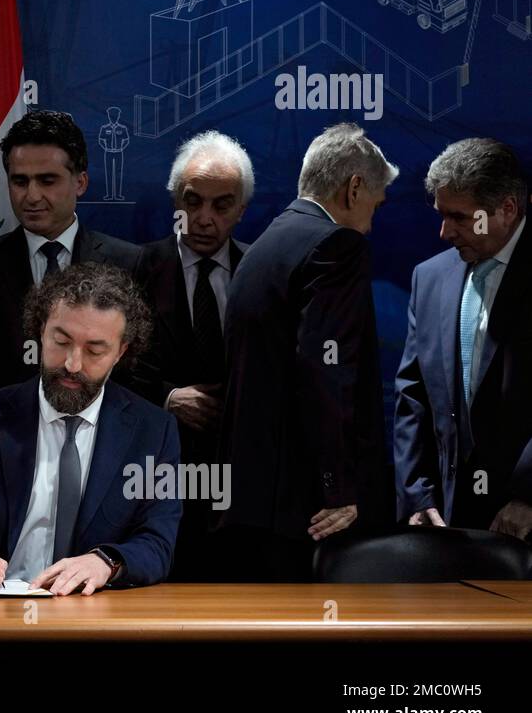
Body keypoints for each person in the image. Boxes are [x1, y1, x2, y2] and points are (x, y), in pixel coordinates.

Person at [0, 263, 181, 593]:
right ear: (41, 331)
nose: (72, 364)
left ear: (121, 353)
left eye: (95, 350)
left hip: (97, 623)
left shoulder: (154, 432)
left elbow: (157, 543)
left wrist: (106, 562)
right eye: (61, 341)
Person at [218, 123, 397, 581]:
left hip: (255, 503)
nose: (371, 224)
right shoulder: (337, 245)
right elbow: (325, 369)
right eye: (374, 207)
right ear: (353, 187)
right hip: (312, 512)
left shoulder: (264, 247)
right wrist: (337, 486)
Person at [0, 110, 139, 401]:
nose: (32, 196)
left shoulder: (128, 263)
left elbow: (134, 372)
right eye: (20, 181)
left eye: (47, 180)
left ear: (80, 182)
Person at [395, 139, 532, 538]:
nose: (443, 232)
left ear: (507, 209)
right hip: (446, 526)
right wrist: (417, 496)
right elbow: (412, 393)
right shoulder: (429, 277)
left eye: (459, 218)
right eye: (441, 215)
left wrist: (528, 496)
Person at [131, 130, 252, 579]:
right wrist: (166, 397)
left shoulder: (263, 272)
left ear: (241, 209)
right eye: (192, 200)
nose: (203, 218)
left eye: (221, 205)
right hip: (150, 477)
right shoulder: (134, 267)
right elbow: (106, 368)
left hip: (239, 488)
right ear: (173, 201)